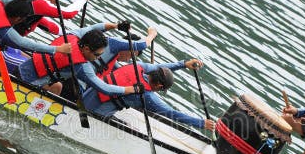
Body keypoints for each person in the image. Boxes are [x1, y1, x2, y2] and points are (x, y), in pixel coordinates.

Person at [81, 58, 216, 131]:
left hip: (86, 95)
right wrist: (201, 123)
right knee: (128, 130)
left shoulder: (139, 66)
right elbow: (172, 114)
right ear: (159, 86)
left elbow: (160, 66)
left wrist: (184, 64)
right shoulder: (147, 96)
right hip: (91, 111)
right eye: (161, 90)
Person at [17, 23, 140, 97]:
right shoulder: (81, 66)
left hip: (21, 71)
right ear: (86, 48)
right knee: (58, 86)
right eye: (97, 55)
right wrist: (131, 89)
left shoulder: (73, 36)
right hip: (24, 84)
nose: (98, 58)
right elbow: (104, 88)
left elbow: (95, 27)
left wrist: (116, 25)